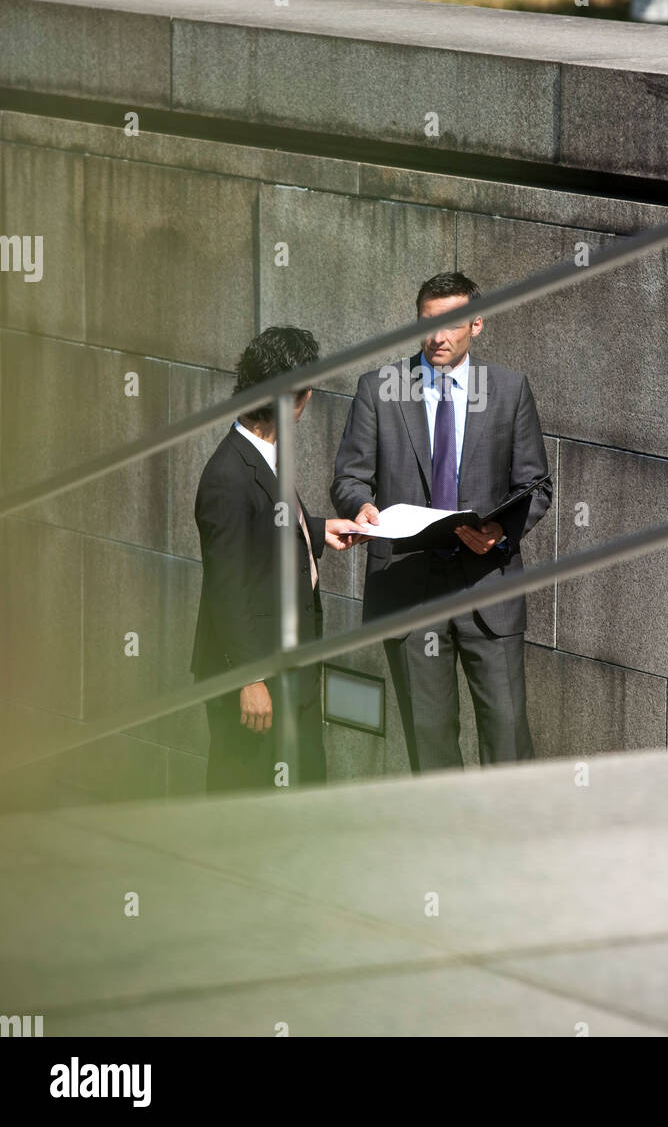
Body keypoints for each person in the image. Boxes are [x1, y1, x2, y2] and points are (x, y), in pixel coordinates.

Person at [331, 272, 552, 773]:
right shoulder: (379, 390)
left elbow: (536, 486)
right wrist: (361, 506)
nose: (438, 338)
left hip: (487, 588)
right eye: (428, 325)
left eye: (451, 324)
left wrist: (501, 531)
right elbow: (349, 477)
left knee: (508, 740)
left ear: (476, 323)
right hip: (409, 590)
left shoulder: (510, 390)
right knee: (430, 749)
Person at [191, 326, 359, 793]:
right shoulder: (229, 476)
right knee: (244, 799)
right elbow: (225, 587)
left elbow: (270, 530)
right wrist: (251, 678)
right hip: (255, 673)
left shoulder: (264, 454)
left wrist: (322, 531)